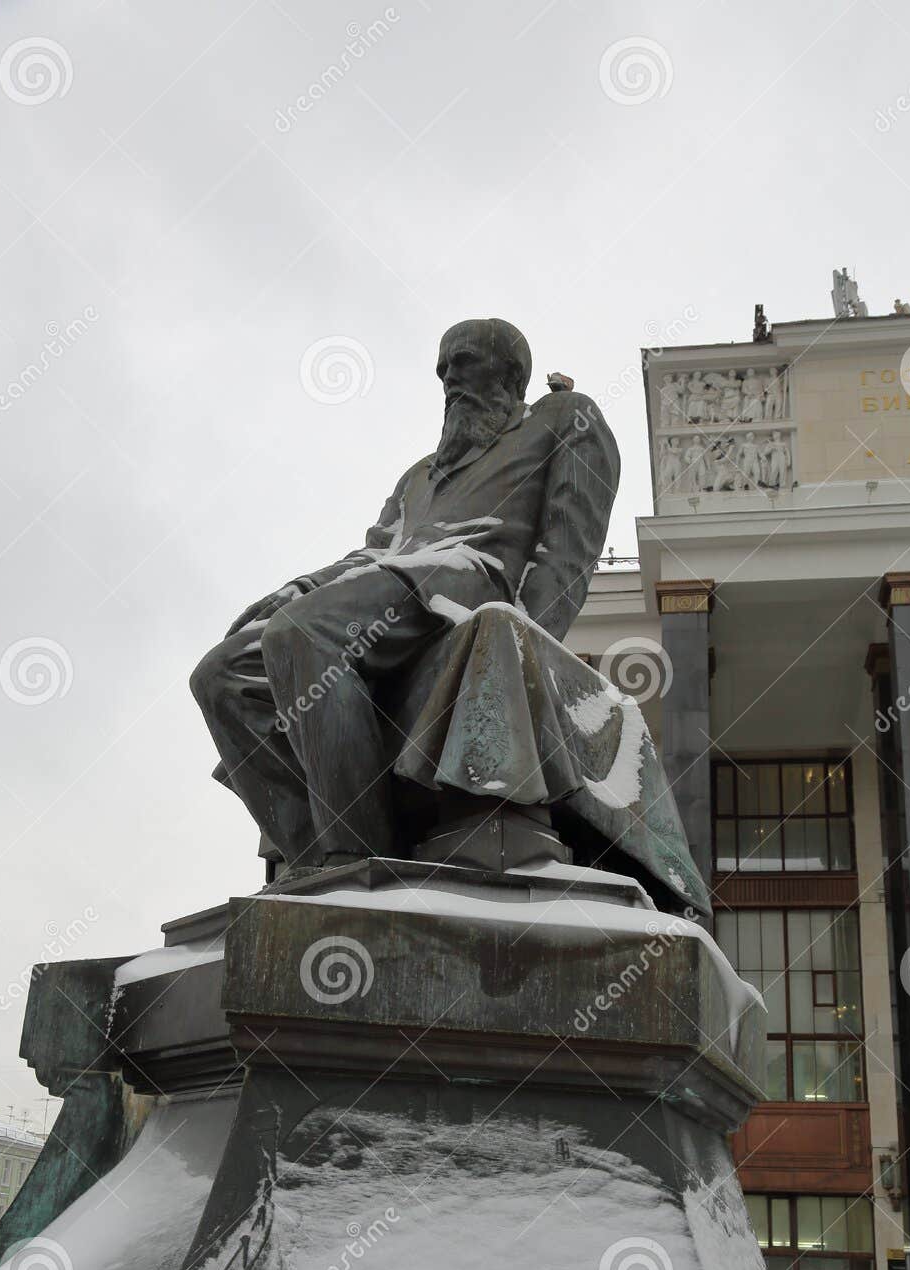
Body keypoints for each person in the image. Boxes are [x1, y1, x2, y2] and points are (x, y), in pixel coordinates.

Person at [190, 319, 620, 875]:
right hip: (392, 583)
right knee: (220, 675)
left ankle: (358, 857)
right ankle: (313, 855)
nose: (448, 378)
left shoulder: (564, 417)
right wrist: (299, 589)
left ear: (511, 373)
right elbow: (371, 555)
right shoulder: (418, 476)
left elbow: (569, 549)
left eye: (463, 362)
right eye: (442, 368)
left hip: (468, 582)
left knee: (302, 632)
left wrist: (524, 647)